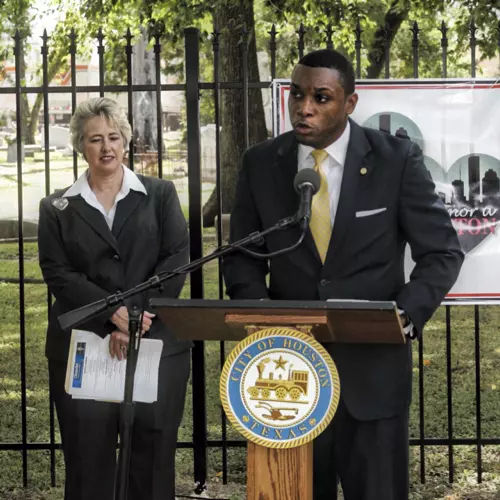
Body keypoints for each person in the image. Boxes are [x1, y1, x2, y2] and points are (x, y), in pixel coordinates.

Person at [222, 49, 464, 500]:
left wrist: (405, 317)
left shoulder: (395, 160)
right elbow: (242, 256)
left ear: (350, 103)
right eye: (296, 94)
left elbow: (442, 252)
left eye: (321, 97)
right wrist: (262, 320)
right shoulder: (261, 164)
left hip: (372, 377)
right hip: (288, 378)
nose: (304, 107)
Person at [38, 97, 191, 500]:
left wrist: (136, 316)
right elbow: (58, 273)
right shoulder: (57, 207)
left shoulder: (160, 194)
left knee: (153, 458)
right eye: (94, 139)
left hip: (157, 341)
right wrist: (114, 317)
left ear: (126, 140)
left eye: (113, 137)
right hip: (84, 344)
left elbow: (176, 257)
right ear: (80, 146)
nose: (106, 147)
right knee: (88, 461)